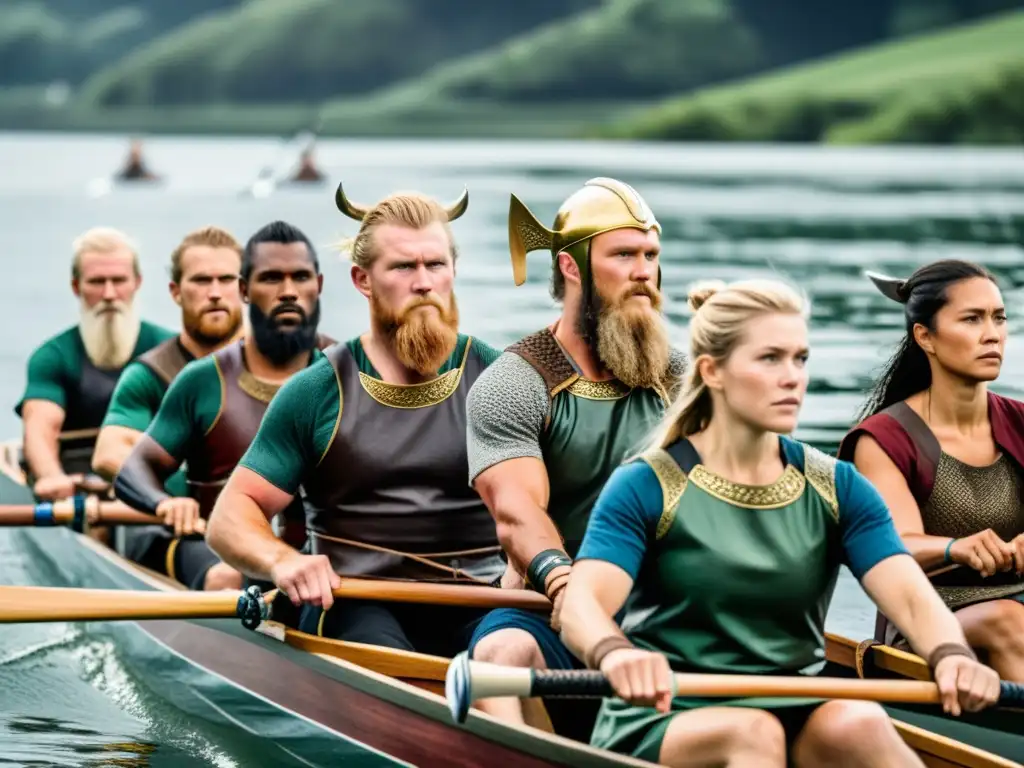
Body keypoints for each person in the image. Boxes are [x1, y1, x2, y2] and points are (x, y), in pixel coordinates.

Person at [559, 278, 1003, 768]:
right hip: (665, 711)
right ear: (713, 372)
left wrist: (951, 655)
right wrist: (613, 652)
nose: (793, 377)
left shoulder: (837, 486)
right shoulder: (647, 485)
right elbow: (581, 605)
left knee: (861, 722)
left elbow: (912, 599)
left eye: (800, 359)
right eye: (770, 359)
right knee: (752, 733)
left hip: (793, 703)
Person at [206, 185, 504, 656]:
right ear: (363, 280)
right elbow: (229, 518)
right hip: (352, 599)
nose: (424, 282)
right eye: (404, 267)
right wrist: (283, 561)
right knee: (385, 655)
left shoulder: (500, 378)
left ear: (453, 270)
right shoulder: (317, 391)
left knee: (518, 650)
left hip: (485, 597)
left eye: (436, 264)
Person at [463, 177, 686, 728]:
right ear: (570, 267)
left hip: (667, 607)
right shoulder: (515, 382)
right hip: (550, 604)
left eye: (651, 255)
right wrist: (566, 584)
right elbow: (518, 516)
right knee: (498, 659)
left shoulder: (681, 379)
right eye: (624, 255)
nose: (644, 273)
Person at [113, 221, 333, 591]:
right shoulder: (202, 380)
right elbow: (134, 467)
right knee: (228, 578)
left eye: (300, 277)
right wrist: (164, 503)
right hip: (217, 548)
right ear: (245, 290)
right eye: (272, 279)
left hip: (317, 554)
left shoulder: (346, 369)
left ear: (319, 285)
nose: (288, 292)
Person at [838, 260, 1024, 682]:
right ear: (926, 337)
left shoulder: (1020, 423)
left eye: (999, 318)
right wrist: (954, 548)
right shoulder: (882, 439)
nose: (992, 333)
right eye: (972, 319)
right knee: (1008, 620)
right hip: (929, 628)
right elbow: (891, 546)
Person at [90, 226, 245, 574]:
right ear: (176, 291)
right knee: (228, 576)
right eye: (202, 281)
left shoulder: (283, 368)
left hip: (256, 528)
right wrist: (164, 501)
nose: (216, 293)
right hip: (169, 528)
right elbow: (110, 452)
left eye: (227, 279)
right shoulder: (150, 374)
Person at [16, 226, 174, 501]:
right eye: (97, 282)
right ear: (76, 287)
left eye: (119, 280)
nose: (109, 294)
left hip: (156, 480)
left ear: (137, 282)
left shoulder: (170, 349)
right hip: (77, 485)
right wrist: (50, 477)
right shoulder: (53, 356)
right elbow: (41, 429)